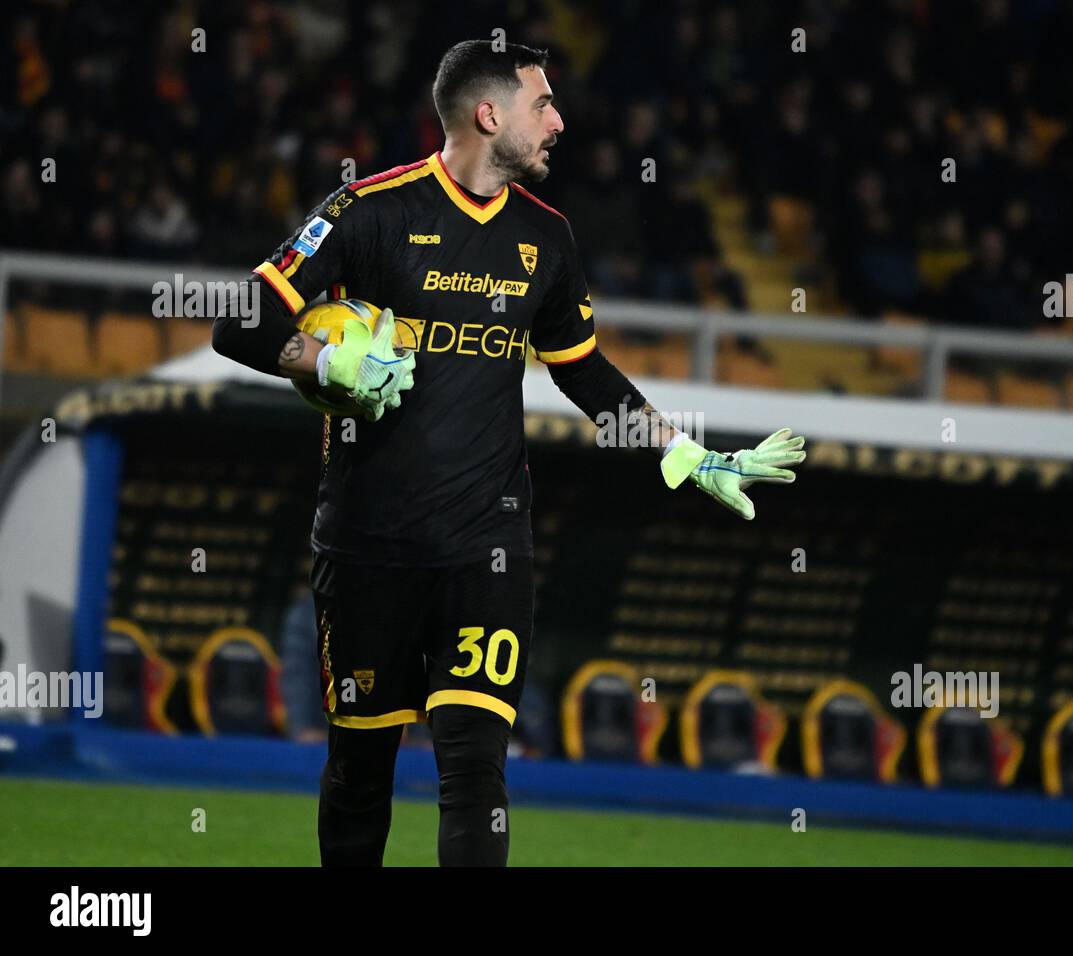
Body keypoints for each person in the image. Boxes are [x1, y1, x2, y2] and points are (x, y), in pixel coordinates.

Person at [211, 39, 806, 867]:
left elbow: (583, 370)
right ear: (489, 115)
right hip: (367, 541)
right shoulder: (368, 210)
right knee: (359, 772)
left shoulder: (546, 237)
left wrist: (682, 453)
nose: (559, 122)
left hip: (486, 544)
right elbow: (239, 319)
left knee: (474, 766)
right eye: (543, 104)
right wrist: (323, 361)